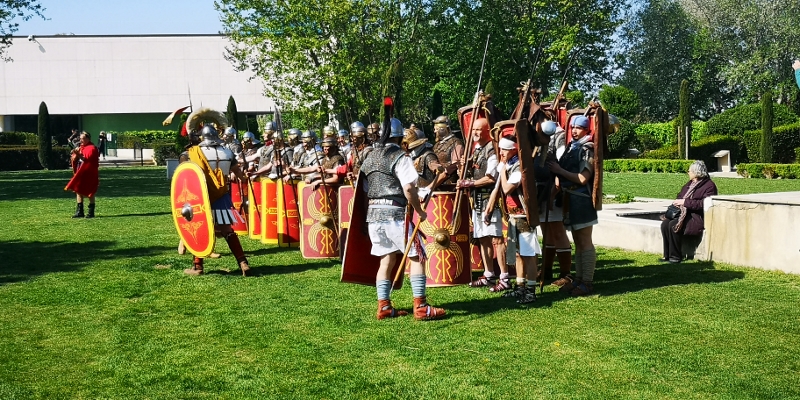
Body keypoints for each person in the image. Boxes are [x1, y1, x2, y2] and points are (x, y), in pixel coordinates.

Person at [360, 117, 446, 320]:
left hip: (374, 217)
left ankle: (384, 306)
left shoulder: (369, 158)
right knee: (417, 256)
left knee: (386, 259)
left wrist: (366, 218)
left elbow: (363, 193)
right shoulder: (400, 157)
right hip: (395, 216)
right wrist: (420, 210)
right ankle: (421, 306)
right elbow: (408, 188)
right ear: (400, 138)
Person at [183, 111, 252, 277]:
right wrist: (246, 173)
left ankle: (198, 267)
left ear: (202, 137)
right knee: (228, 230)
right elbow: (241, 177)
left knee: (199, 228)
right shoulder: (227, 153)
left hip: (202, 197)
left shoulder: (193, 154)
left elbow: (184, 175)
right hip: (222, 196)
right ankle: (243, 262)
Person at [548, 115, 598, 296]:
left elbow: (583, 177)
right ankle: (579, 278)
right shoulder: (572, 147)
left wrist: (559, 171)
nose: (575, 131)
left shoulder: (586, 149)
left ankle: (587, 282)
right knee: (577, 242)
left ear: (586, 130)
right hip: (570, 198)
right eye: (573, 128)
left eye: (579, 128)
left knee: (585, 242)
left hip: (581, 199)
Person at [488, 136, 540, 303]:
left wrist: (502, 170)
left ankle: (531, 291)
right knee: (518, 254)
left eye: (503, 150)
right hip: (513, 216)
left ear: (511, 150)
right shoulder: (511, 164)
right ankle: (520, 287)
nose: (500, 152)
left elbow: (507, 188)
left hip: (523, 216)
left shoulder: (519, 167)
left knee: (528, 254)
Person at [458, 118, 508, 292]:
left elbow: (491, 177)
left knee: (496, 239)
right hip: (477, 200)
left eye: (479, 130)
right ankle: (488, 274)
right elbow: (471, 173)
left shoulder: (491, 151)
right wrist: (463, 168)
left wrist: (469, 184)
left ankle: (504, 277)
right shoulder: (477, 150)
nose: (476, 133)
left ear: (487, 130)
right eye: (474, 130)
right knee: (482, 238)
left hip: (490, 199)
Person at [536, 121, 573, 289]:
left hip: (554, 191)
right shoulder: (538, 134)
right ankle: (547, 269)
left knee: (557, 232)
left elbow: (562, 162)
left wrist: (553, 194)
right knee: (546, 232)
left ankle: (566, 273)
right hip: (541, 191)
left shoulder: (559, 136)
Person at [660, 160, 717, 263]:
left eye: (690, 171)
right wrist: (678, 202)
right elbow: (680, 196)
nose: (688, 172)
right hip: (683, 214)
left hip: (696, 217)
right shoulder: (690, 183)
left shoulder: (709, 186)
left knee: (674, 224)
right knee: (665, 224)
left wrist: (685, 202)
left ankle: (675, 257)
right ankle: (667, 255)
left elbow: (704, 204)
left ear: (696, 173)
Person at [65, 132, 100, 218]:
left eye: (83, 138)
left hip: (89, 173)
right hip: (80, 171)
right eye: (80, 138)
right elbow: (75, 159)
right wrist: (75, 155)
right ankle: (80, 212)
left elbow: (86, 160)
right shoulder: (81, 148)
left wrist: (78, 154)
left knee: (90, 192)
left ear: (88, 139)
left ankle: (91, 212)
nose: (81, 140)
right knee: (78, 190)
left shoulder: (92, 148)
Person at [431, 115, 464, 185]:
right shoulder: (437, 145)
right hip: (437, 181)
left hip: (449, 183)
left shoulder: (456, 143)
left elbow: (456, 164)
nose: (435, 132)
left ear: (443, 129)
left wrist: (445, 173)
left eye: (436, 129)